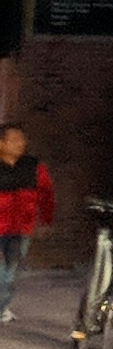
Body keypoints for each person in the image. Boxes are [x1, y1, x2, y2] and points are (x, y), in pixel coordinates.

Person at [0, 123, 46, 324]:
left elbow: (46, 193)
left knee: (11, 273)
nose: (20, 144)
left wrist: (44, 220)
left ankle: (2, 307)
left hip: (20, 229)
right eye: (14, 140)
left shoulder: (32, 165)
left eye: (22, 139)